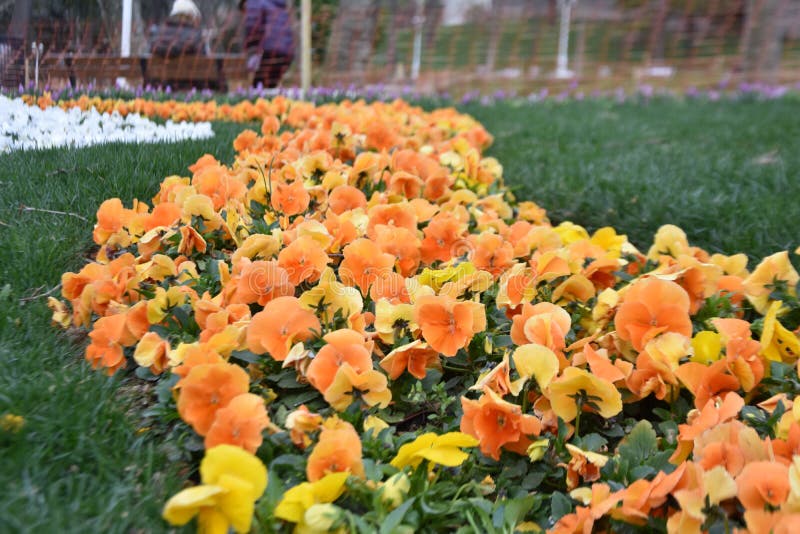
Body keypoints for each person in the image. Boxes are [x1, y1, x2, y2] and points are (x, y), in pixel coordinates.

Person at [240, 0, 295, 88]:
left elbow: (253, 27)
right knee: (268, 85)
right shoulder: (276, 3)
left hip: (271, 49)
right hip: (287, 51)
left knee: (259, 87)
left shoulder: (254, 2)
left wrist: (250, 48)